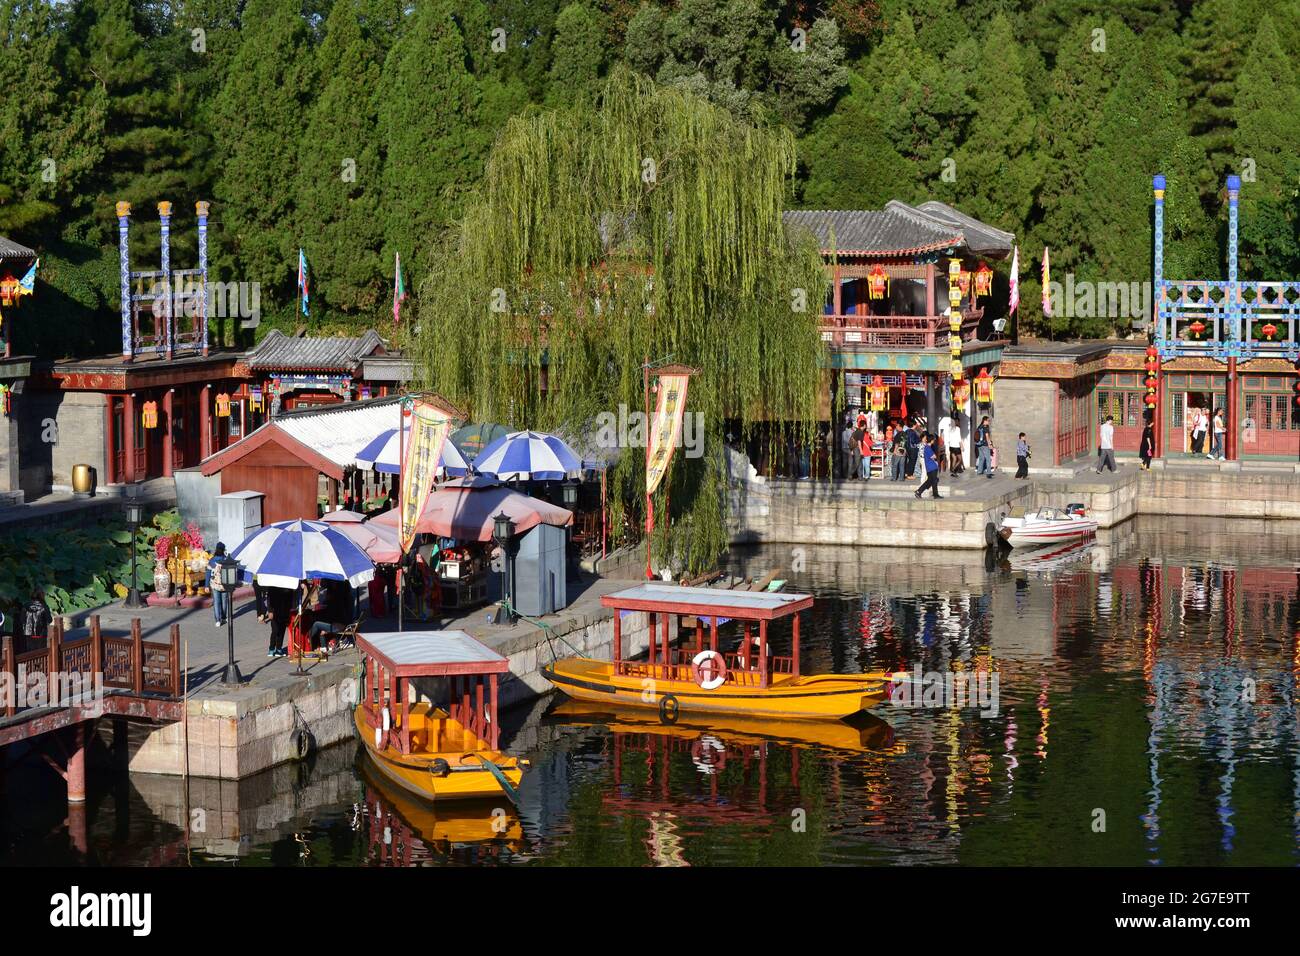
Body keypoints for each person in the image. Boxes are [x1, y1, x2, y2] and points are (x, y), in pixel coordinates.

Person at [267, 585, 294, 658]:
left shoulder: (288, 584)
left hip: (285, 610)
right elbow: (269, 598)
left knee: (282, 630)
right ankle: (271, 648)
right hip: (275, 611)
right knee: (275, 630)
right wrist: (270, 611)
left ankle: (279, 648)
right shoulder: (273, 585)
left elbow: (291, 597)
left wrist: (291, 609)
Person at [205, 543, 229, 628]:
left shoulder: (212, 560)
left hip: (214, 584)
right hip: (225, 585)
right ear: (223, 550)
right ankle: (223, 617)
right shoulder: (226, 559)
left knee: (216, 602)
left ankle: (218, 620)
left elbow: (208, 573)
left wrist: (206, 585)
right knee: (224, 601)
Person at [914, 434, 942, 499]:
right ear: (931, 440)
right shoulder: (928, 448)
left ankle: (919, 491)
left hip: (931, 467)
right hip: (931, 467)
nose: (934, 441)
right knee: (933, 481)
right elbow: (934, 456)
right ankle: (935, 495)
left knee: (930, 481)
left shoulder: (927, 447)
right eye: (933, 440)